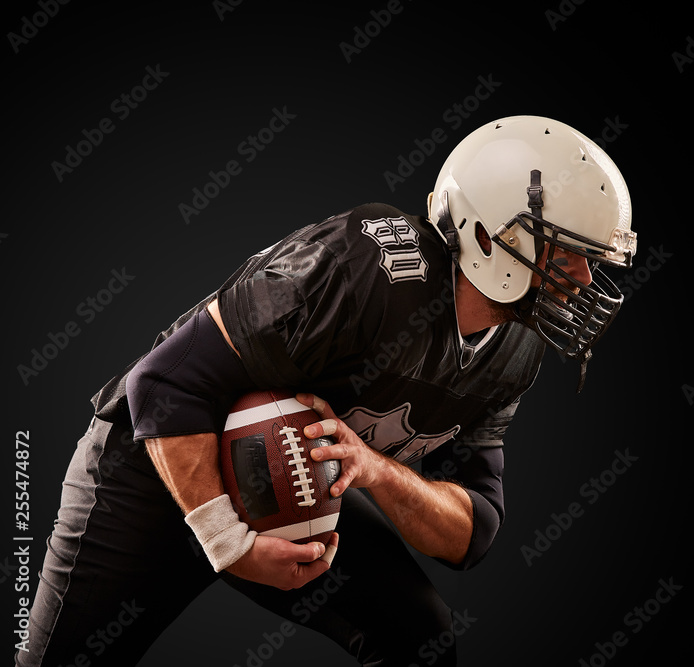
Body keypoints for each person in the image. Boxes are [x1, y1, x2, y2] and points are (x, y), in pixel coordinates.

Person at [18, 115, 637, 666]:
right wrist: (228, 541)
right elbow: (161, 383)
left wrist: (375, 470)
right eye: (564, 253)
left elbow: (471, 532)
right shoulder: (365, 268)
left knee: (421, 640)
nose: (583, 279)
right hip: (152, 468)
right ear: (486, 235)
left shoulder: (515, 348)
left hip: (286, 492)